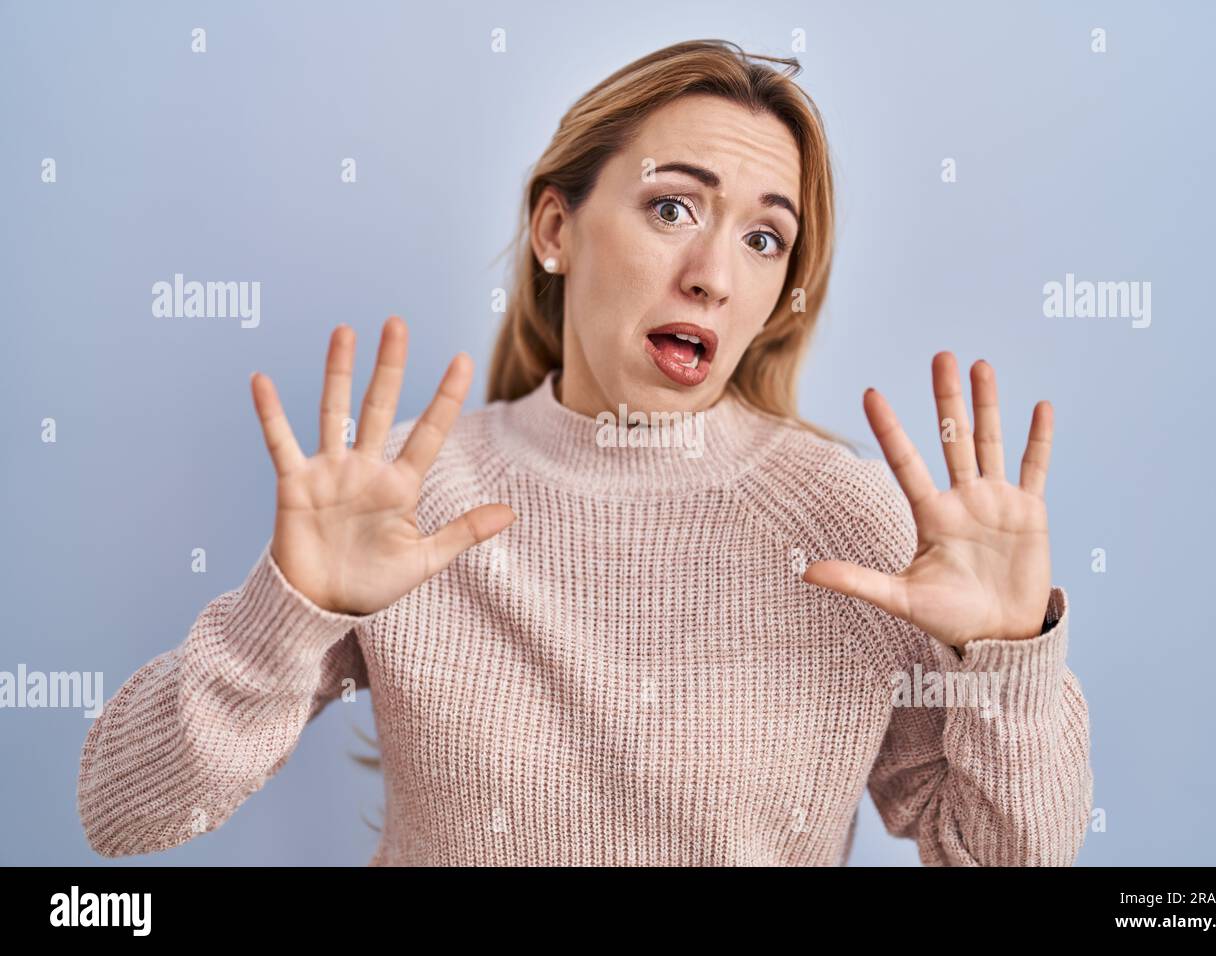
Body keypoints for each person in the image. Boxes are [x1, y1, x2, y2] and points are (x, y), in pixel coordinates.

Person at [77, 39, 1092, 866]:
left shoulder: (852, 529)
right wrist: (287, 609)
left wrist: (1012, 661)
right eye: (670, 208)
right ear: (555, 227)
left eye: (762, 238)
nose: (709, 275)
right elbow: (122, 811)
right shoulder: (404, 503)